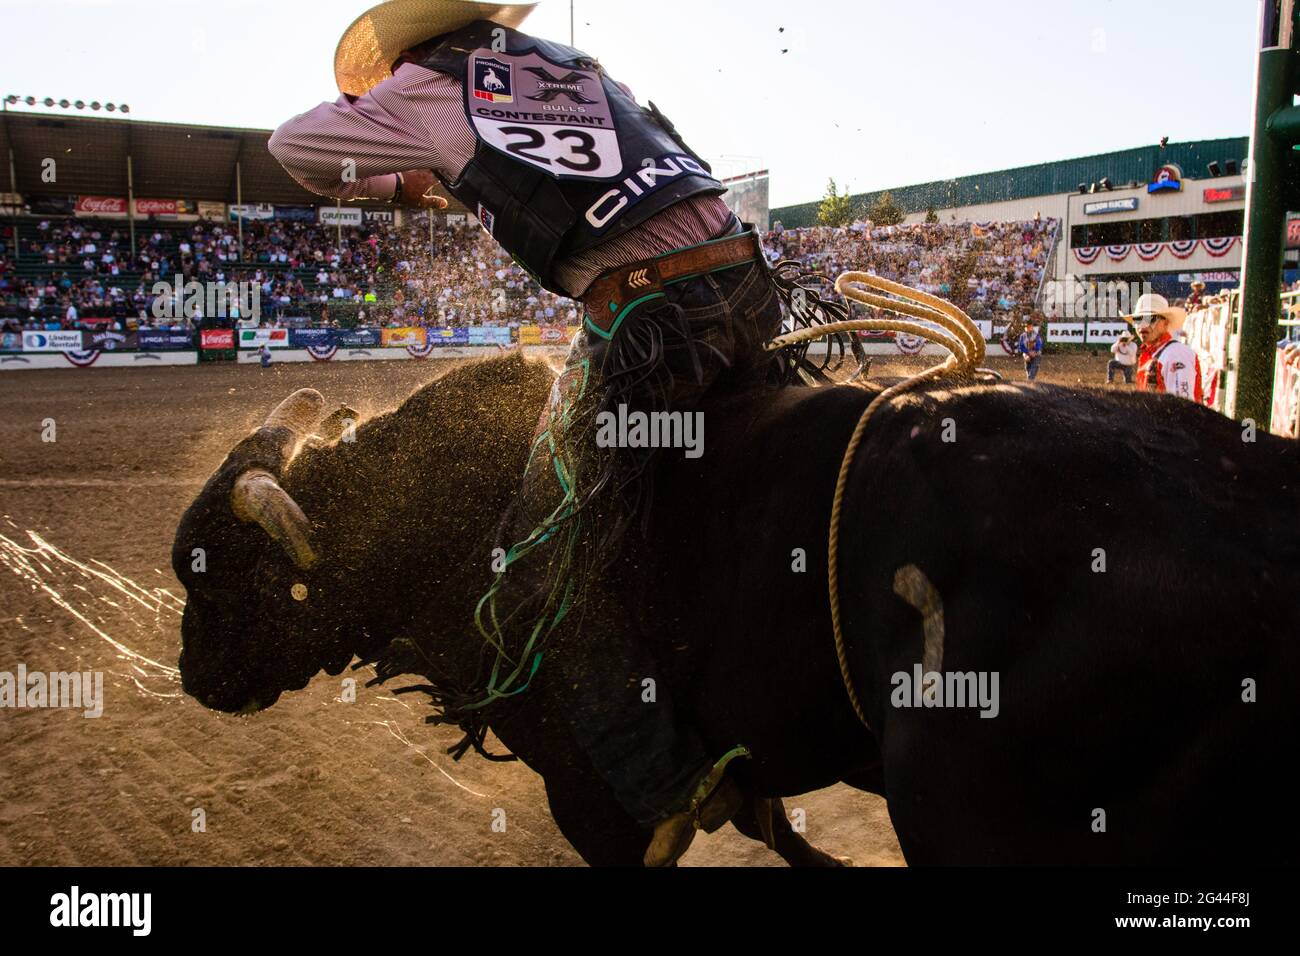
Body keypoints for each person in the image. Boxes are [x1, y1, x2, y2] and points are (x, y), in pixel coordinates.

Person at [270, 0, 810, 865]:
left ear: (402, 45)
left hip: (651, 319)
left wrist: (392, 174)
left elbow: (293, 148)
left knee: (536, 565)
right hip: (749, 288)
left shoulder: (419, 88)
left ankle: (668, 781)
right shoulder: (571, 63)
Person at [1127, 293, 1203, 403]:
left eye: (1150, 319)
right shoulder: (1154, 353)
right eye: (1138, 320)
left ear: (1165, 323)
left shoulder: (1175, 354)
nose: (1142, 325)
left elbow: (1182, 408)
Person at [1017, 316, 1044, 380]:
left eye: (1029, 326)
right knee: (1028, 368)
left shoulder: (1036, 335)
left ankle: (1030, 379)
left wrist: (1034, 351)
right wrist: (1027, 352)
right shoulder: (1022, 336)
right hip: (1027, 353)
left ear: (1031, 327)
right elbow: (1020, 347)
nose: (1028, 328)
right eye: (1026, 327)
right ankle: (1030, 379)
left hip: (1036, 353)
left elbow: (1039, 345)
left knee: (1033, 368)